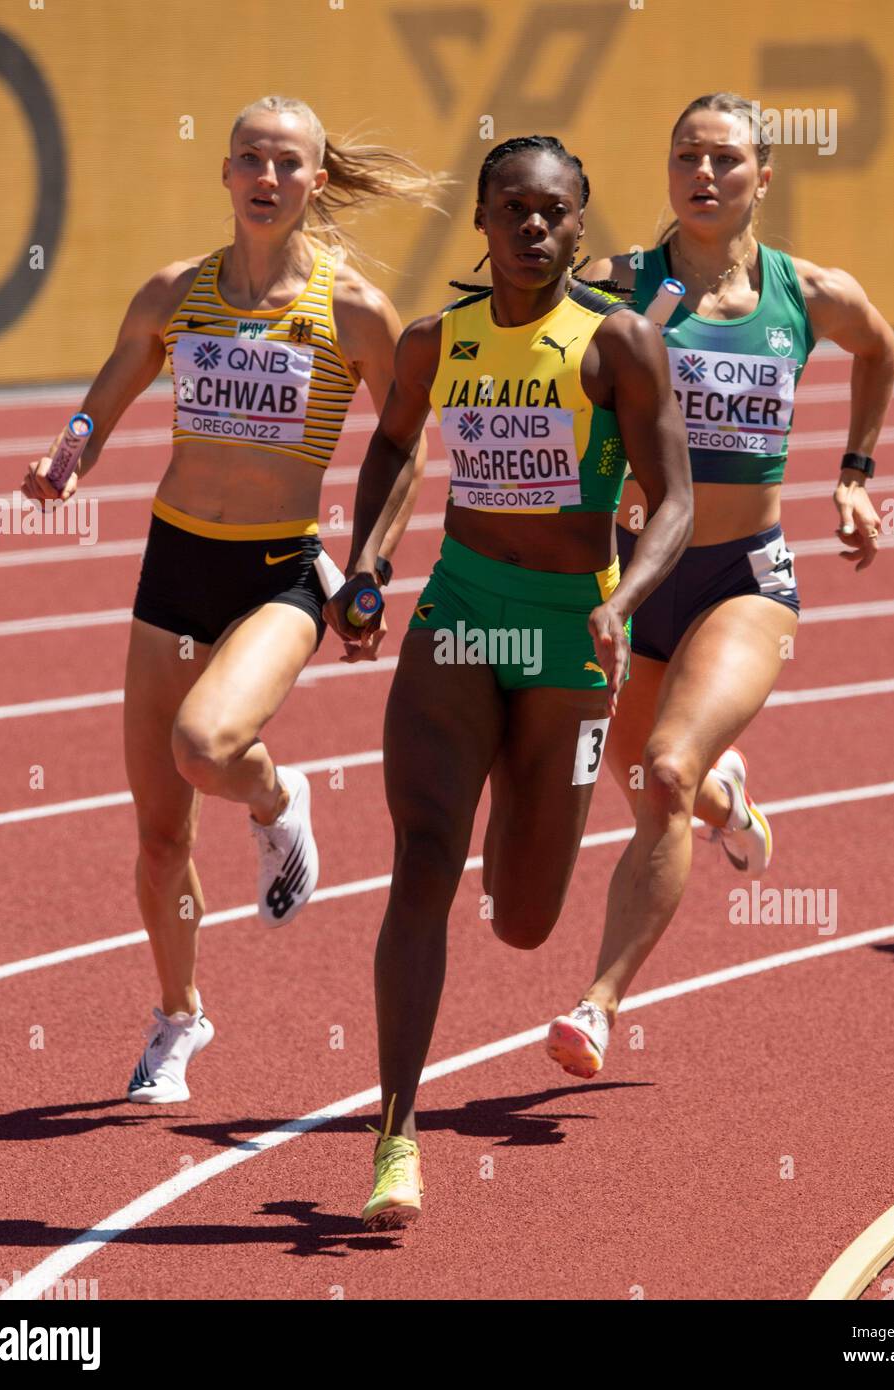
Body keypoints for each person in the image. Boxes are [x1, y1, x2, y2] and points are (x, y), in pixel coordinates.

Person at [22, 95, 441, 1104]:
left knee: (206, 746)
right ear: (223, 174)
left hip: (280, 576)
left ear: (315, 183)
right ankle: (178, 1019)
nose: (265, 177)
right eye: (249, 158)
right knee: (160, 830)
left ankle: (274, 796)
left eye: (287, 164)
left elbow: (405, 440)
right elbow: (107, 393)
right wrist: (65, 459)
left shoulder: (351, 311)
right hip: (174, 568)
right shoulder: (177, 293)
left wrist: (371, 568)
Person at [322, 134, 692, 1228]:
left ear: (582, 225)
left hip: (570, 635)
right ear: (480, 224)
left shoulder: (617, 343)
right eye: (512, 210)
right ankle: (396, 1133)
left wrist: (621, 603)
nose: (532, 228)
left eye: (554, 212)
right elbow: (391, 446)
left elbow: (671, 498)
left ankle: (522, 818)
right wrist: (369, 566)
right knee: (422, 855)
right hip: (464, 613)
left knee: (523, 917)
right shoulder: (438, 342)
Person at [545, 91, 894, 1080]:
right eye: (684, 156)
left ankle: (598, 1002)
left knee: (659, 773)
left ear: (762, 177)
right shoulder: (617, 287)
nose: (702, 175)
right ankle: (727, 803)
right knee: (645, 779)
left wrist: (853, 475)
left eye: (725, 160)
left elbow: (878, 349)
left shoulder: (807, 293)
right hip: (634, 580)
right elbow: (543, 372)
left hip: (744, 577)